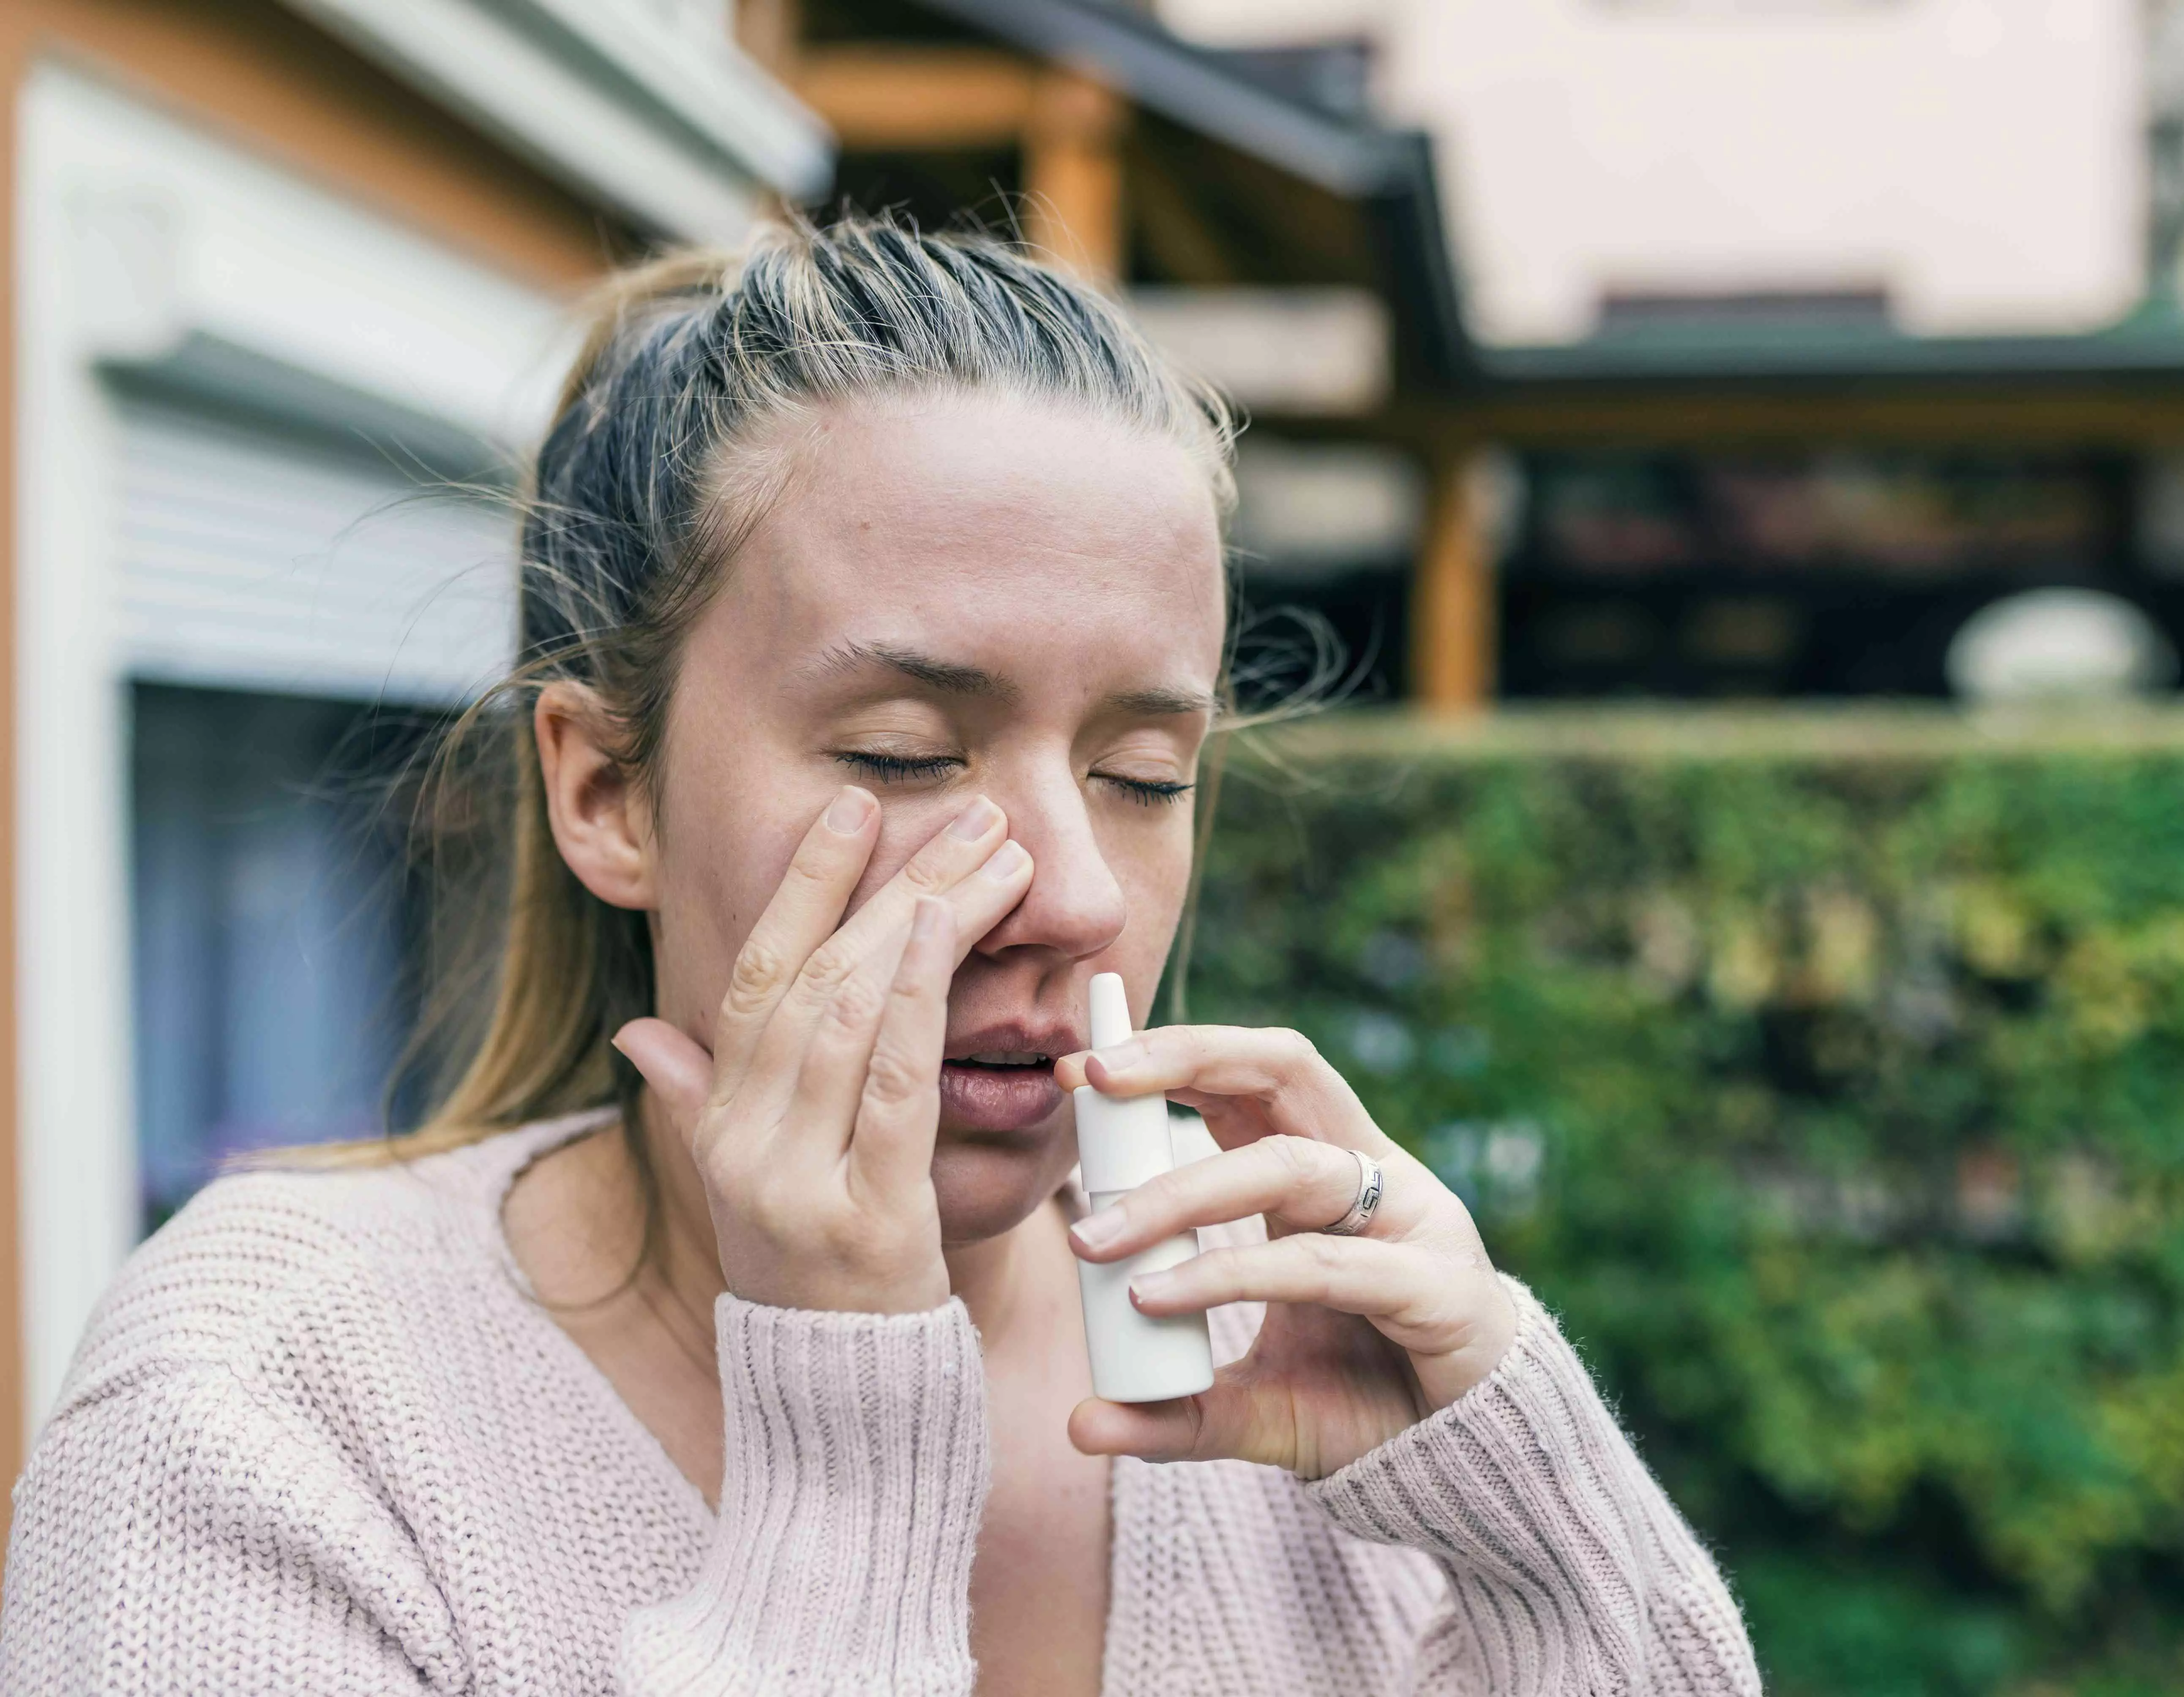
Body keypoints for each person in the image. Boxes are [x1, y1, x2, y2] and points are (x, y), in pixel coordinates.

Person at [0, 217, 1758, 1696]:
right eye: (910, 751)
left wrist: (1526, 1513)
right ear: (608, 790)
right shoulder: (277, 1398)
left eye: (1145, 773)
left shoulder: (1278, 1358)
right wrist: (843, 1455)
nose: (1071, 888)